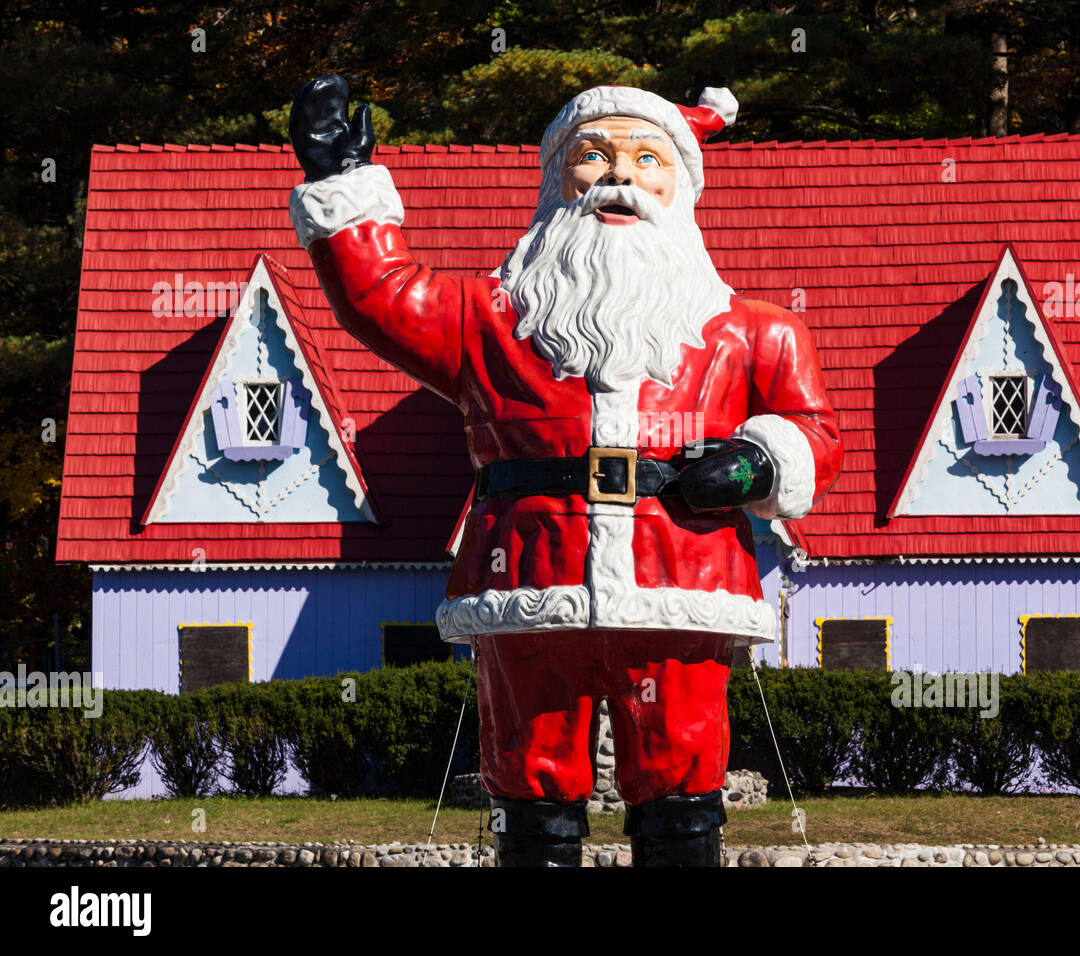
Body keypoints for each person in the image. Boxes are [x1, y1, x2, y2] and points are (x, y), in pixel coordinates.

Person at [287, 76, 842, 866]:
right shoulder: (488, 319)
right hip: (530, 579)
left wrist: (757, 462)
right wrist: (344, 185)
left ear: (681, 186)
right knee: (530, 773)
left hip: (680, 583)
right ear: (557, 181)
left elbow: (816, 432)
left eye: (648, 159)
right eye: (594, 156)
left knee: (681, 769)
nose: (619, 176)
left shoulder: (758, 332)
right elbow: (383, 295)